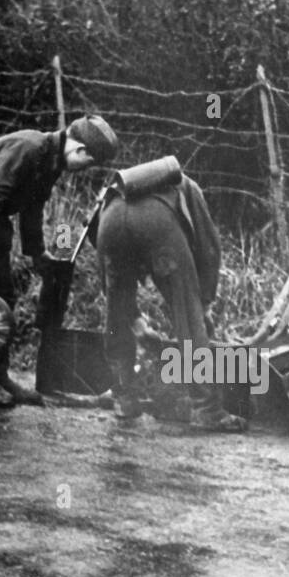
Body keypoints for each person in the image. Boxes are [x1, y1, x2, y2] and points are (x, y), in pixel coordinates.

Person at [0, 114, 118, 406]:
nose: (83, 171)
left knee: (2, 294)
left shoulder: (52, 160)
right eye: (88, 163)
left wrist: (36, 252)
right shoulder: (30, 148)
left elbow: (33, 207)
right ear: (79, 150)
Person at [95, 169, 246, 432]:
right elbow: (210, 248)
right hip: (157, 223)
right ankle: (208, 410)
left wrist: (132, 318)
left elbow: (103, 264)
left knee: (114, 315)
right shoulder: (188, 187)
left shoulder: (119, 188)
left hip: (108, 220)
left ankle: (124, 398)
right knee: (187, 316)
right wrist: (204, 303)